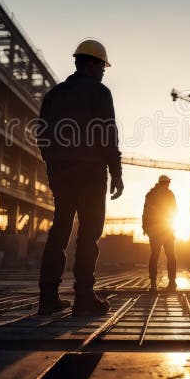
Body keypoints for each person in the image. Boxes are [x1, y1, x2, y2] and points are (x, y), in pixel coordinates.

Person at [36, 39, 124, 316]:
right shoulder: (99, 93)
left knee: (60, 230)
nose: (103, 72)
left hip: (61, 173)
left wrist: (54, 166)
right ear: (91, 64)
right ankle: (84, 298)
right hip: (90, 172)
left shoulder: (54, 95)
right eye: (101, 66)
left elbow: (43, 136)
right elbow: (108, 134)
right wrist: (116, 173)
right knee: (88, 235)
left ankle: (47, 298)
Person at [142, 175, 178, 292]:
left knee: (157, 256)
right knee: (168, 256)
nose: (168, 185)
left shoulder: (151, 195)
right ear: (164, 183)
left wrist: (146, 228)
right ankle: (169, 283)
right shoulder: (167, 195)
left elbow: (146, 212)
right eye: (167, 183)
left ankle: (157, 284)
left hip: (160, 230)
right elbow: (175, 211)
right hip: (163, 230)